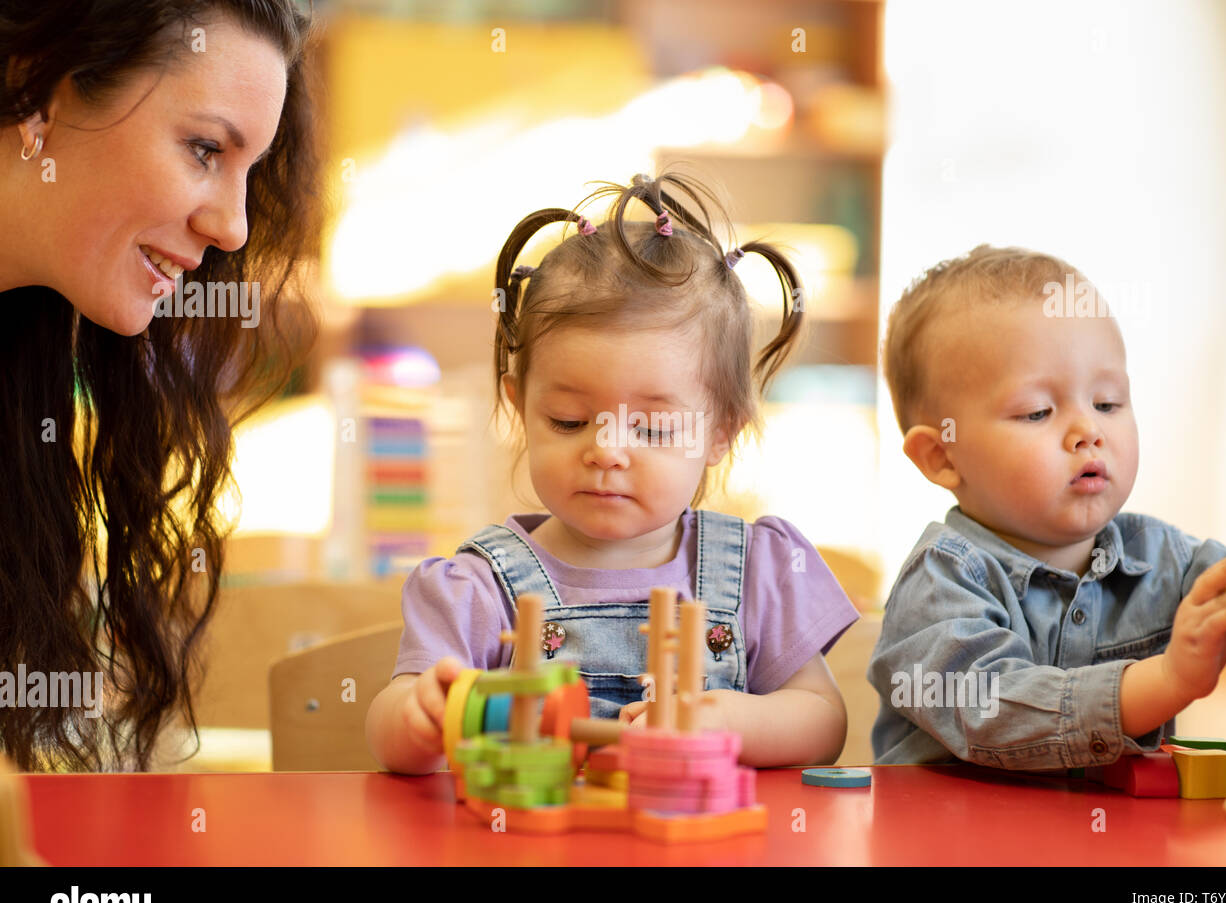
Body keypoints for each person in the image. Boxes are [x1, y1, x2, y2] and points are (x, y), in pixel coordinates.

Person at [367, 172, 858, 774]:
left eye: (651, 430)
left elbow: (823, 720)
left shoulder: (756, 572)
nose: (606, 451)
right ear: (520, 407)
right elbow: (392, 729)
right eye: (569, 421)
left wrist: (729, 720)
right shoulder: (479, 588)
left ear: (720, 431)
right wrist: (419, 717)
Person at [0, 0, 321, 771]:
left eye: (252, 172)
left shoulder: (32, 360)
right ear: (37, 92)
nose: (235, 228)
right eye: (206, 149)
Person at [869, 244, 1226, 768]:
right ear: (942, 456)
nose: (1089, 431)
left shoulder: (1162, 558)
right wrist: (1165, 680)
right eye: (1037, 412)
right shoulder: (940, 584)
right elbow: (993, 709)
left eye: (1107, 403)